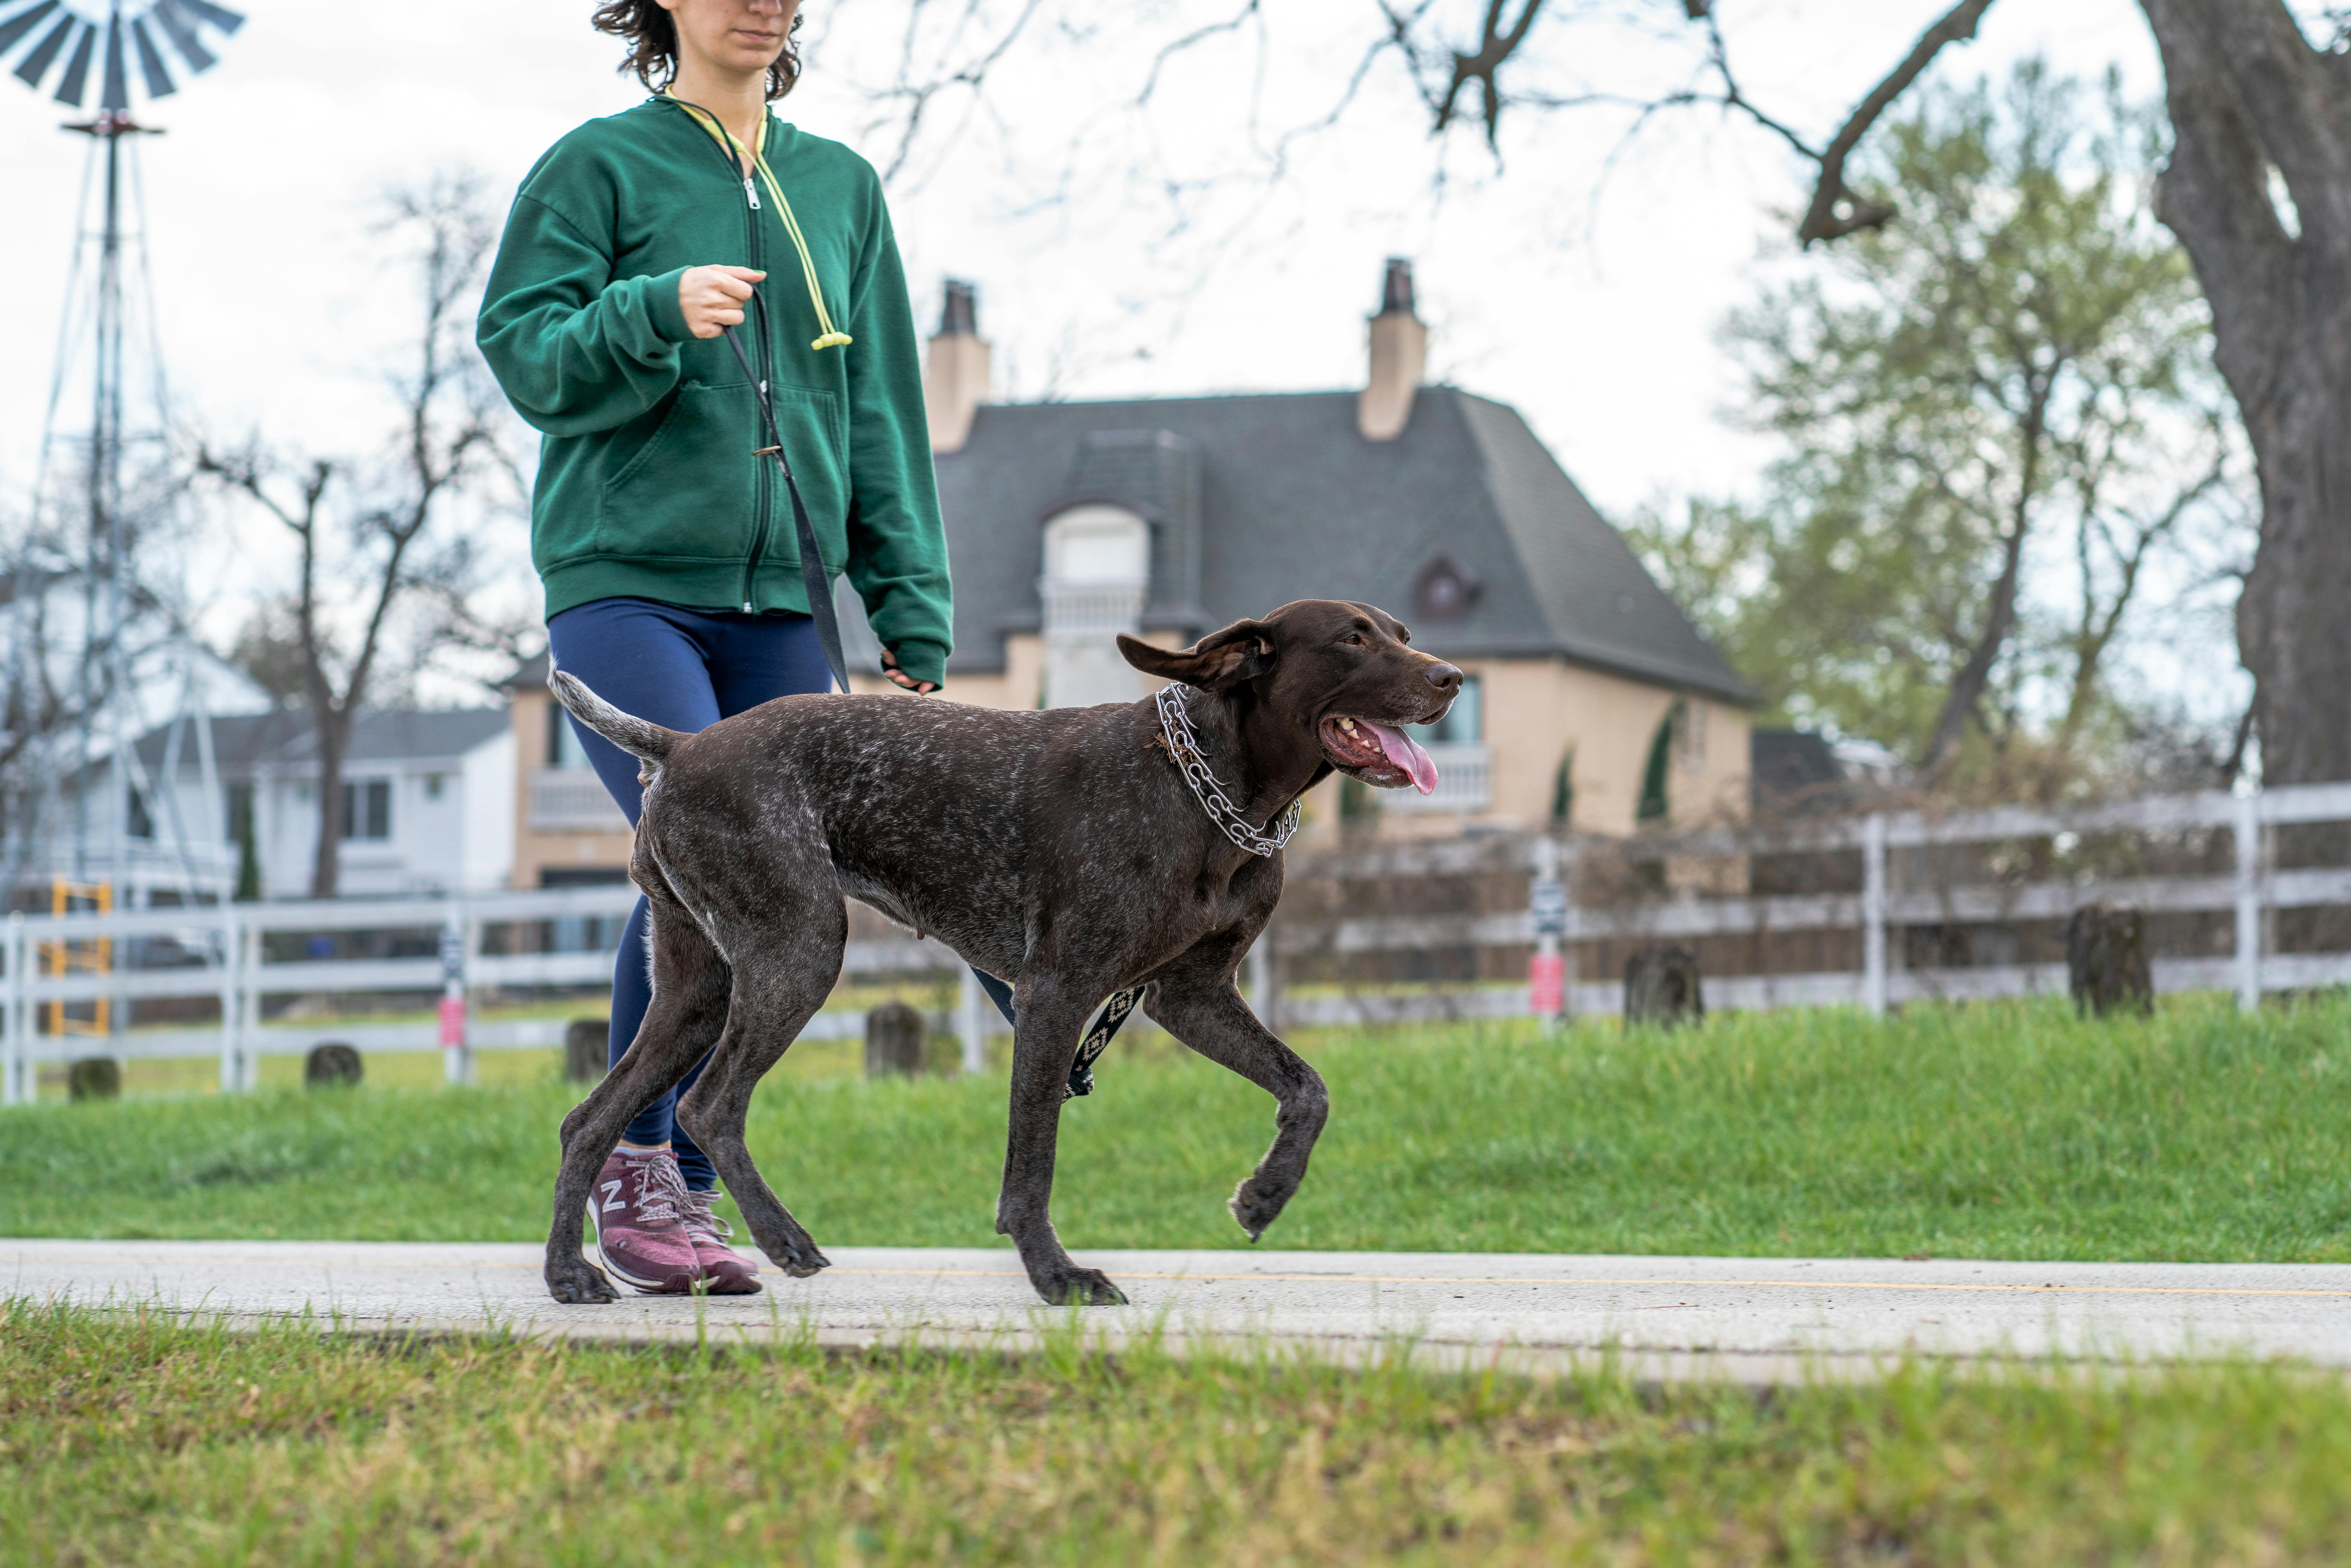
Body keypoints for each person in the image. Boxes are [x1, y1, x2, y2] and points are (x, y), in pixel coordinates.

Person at [478, 0, 951, 1294]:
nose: (765, 1)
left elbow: (880, 409)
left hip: (787, 603)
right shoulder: (597, 166)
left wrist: (908, 604)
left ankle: (682, 1181)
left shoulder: (840, 186)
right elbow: (524, 354)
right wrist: (646, 309)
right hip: (627, 583)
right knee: (706, 867)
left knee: (775, 901)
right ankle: (637, 1166)